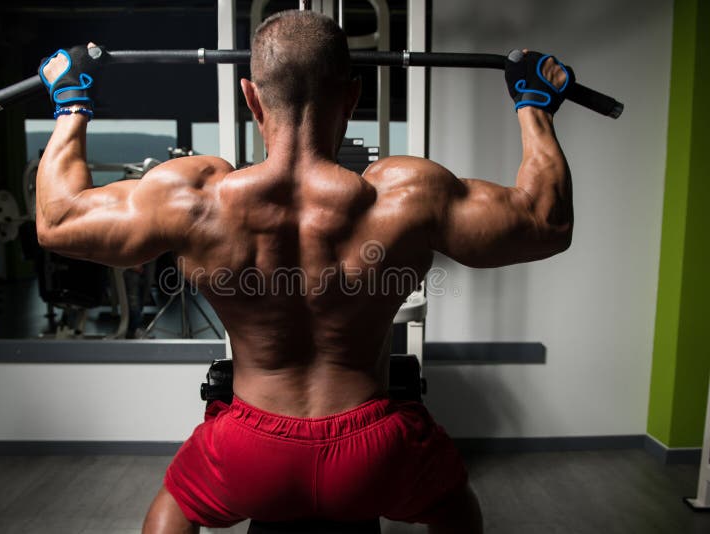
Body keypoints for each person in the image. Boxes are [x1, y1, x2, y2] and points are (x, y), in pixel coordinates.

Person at [36, 10, 573, 534]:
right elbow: (545, 222)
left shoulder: (197, 197)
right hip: (374, 449)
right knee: (456, 509)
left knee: (171, 511)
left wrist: (71, 103)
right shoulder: (408, 195)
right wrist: (534, 106)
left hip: (251, 449)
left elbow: (57, 220)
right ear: (352, 97)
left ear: (252, 97)